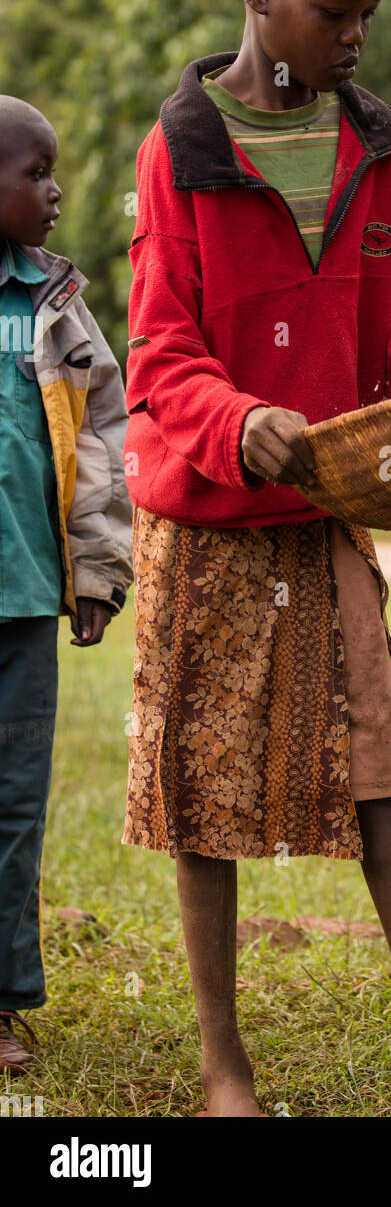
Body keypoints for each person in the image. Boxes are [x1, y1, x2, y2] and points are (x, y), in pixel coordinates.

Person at [122, 0, 391, 1117]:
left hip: (326, 508)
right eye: (334, 11)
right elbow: (160, 351)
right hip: (209, 514)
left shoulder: (372, 144)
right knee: (204, 793)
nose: (355, 37)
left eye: (367, 15)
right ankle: (223, 1066)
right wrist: (242, 422)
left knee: (379, 771)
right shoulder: (178, 148)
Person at [0, 96, 132, 1074]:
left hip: (23, 604)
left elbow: (98, 442)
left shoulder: (55, 308)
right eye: (36, 173)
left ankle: (2, 1004)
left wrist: (96, 565)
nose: (55, 193)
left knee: (13, 807)